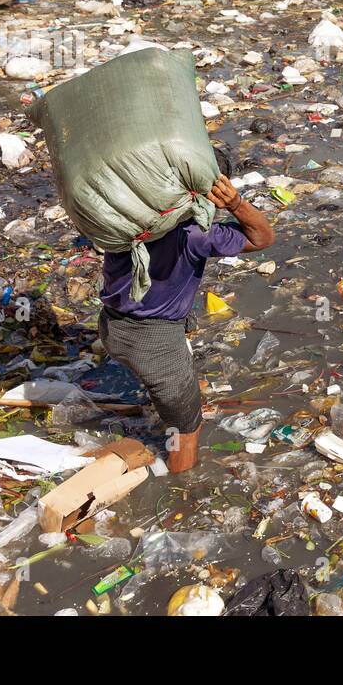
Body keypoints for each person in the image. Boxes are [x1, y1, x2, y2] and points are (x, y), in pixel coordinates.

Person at [98, 146, 274, 473]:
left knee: (165, 390)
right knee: (186, 426)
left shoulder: (123, 219)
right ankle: (181, 485)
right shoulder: (196, 235)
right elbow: (263, 237)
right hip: (153, 343)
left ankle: (157, 399)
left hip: (111, 328)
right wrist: (235, 204)